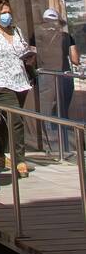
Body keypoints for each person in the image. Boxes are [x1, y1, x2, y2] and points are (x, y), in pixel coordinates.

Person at [0, 0, 35, 178]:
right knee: (17, 119)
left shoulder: (16, 31)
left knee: (8, 118)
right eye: (3, 13)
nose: (7, 16)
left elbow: (23, 50)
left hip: (20, 81)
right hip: (0, 82)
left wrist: (30, 56)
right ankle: (20, 161)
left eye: (8, 12)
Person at [32, 8, 81, 155]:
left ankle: (50, 148)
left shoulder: (37, 36)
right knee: (63, 112)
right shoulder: (66, 36)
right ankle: (65, 147)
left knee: (46, 113)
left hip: (45, 75)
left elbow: (32, 57)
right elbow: (75, 59)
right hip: (64, 77)